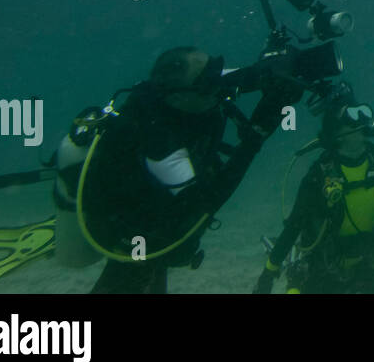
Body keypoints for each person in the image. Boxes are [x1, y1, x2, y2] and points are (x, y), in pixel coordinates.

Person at [65, 46, 300, 293]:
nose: (219, 86)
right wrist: (255, 139)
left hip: (156, 210)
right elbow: (204, 202)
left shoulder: (187, 95)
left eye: (215, 71)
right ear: (178, 97)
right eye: (209, 82)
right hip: (134, 233)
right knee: (133, 275)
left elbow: (233, 77)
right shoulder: (159, 140)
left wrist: (280, 65)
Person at [253, 100, 374, 294]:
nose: (362, 125)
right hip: (328, 263)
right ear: (338, 134)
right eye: (352, 122)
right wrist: (269, 272)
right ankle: (294, 276)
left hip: (373, 258)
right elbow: (295, 224)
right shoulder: (318, 175)